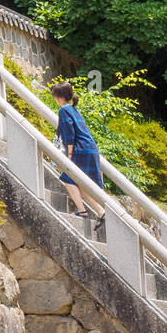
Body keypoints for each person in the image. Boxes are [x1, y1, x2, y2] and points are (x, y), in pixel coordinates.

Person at [51, 81, 107, 225]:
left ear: (59, 97)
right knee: (79, 183)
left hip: (79, 149)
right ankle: (101, 212)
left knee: (68, 179)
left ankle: (82, 210)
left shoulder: (63, 110)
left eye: (55, 96)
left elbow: (69, 132)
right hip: (90, 148)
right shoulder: (74, 109)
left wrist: (69, 153)